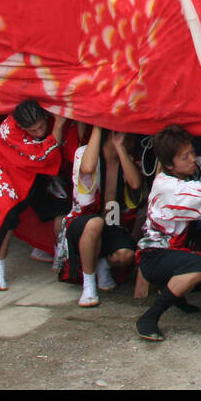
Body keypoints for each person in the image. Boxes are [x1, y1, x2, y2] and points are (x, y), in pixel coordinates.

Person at [135, 126, 201, 341]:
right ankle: (149, 317)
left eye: (192, 152)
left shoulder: (182, 175)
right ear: (170, 165)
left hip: (175, 252)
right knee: (198, 269)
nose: (193, 159)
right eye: (185, 157)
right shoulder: (167, 185)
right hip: (154, 257)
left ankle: (176, 295)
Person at [0, 100, 71, 291]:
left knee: (59, 202)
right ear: (21, 126)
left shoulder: (46, 115)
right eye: (33, 131)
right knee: (7, 215)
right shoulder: (8, 130)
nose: (39, 132)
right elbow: (45, 155)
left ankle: (54, 249)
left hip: (39, 172)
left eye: (41, 127)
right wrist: (59, 125)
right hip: (8, 171)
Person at [58, 127, 139, 306]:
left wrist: (120, 149)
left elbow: (135, 184)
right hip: (83, 221)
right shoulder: (84, 153)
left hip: (111, 220)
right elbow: (87, 169)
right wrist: (97, 125)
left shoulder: (124, 158)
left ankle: (103, 263)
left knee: (126, 255)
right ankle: (89, 285)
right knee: (95, 223)